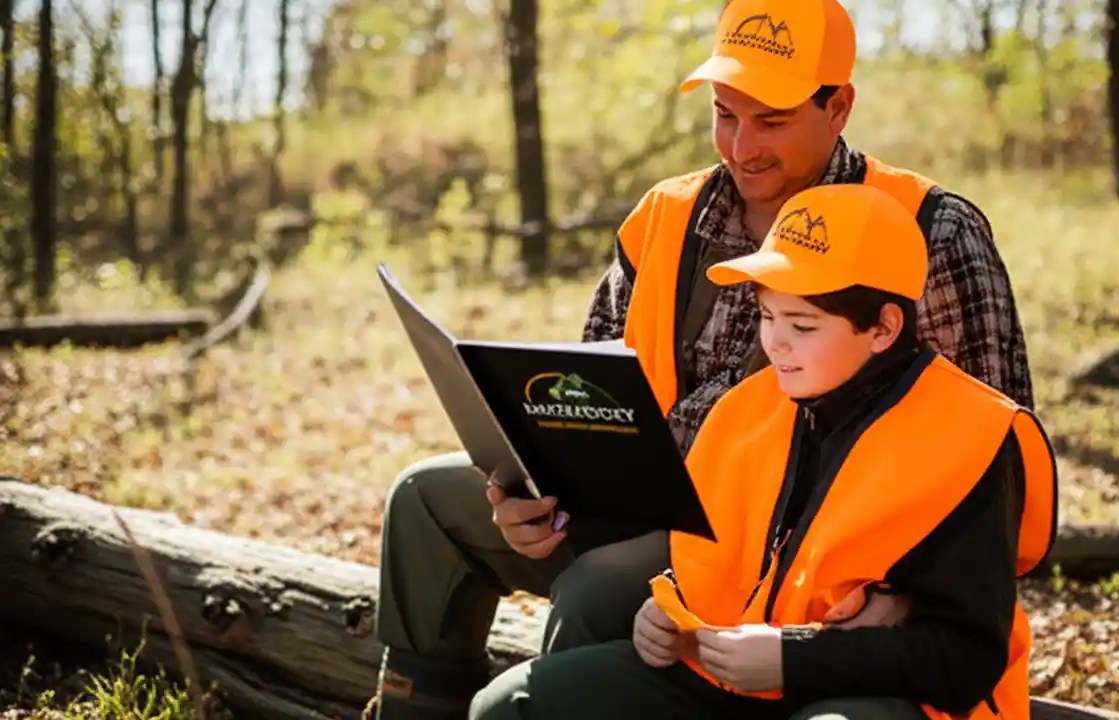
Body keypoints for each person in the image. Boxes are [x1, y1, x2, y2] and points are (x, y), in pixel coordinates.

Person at [369, 0, 1035, 717]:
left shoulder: (930, 231)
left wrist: (900, 594)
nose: (742, 146)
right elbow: (588, 397)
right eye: (725, 114)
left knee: (599, 589)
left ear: (838, 105)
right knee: (425, 499)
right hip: (627, 497)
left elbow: (988, 459)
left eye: (772, 121)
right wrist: (535, 490)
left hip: (769, 545)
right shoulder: (663, 215)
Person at [469, 183, 1057, 720]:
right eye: (767, 315)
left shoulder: (975, 437)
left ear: (883, 327)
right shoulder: (745, 411)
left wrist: (793, 660)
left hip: (870, 701)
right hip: (726, 685)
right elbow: (705, 569)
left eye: (803, 326)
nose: (774, 344)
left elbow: (964, 659)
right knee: (510, 706)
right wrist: (668, 615)